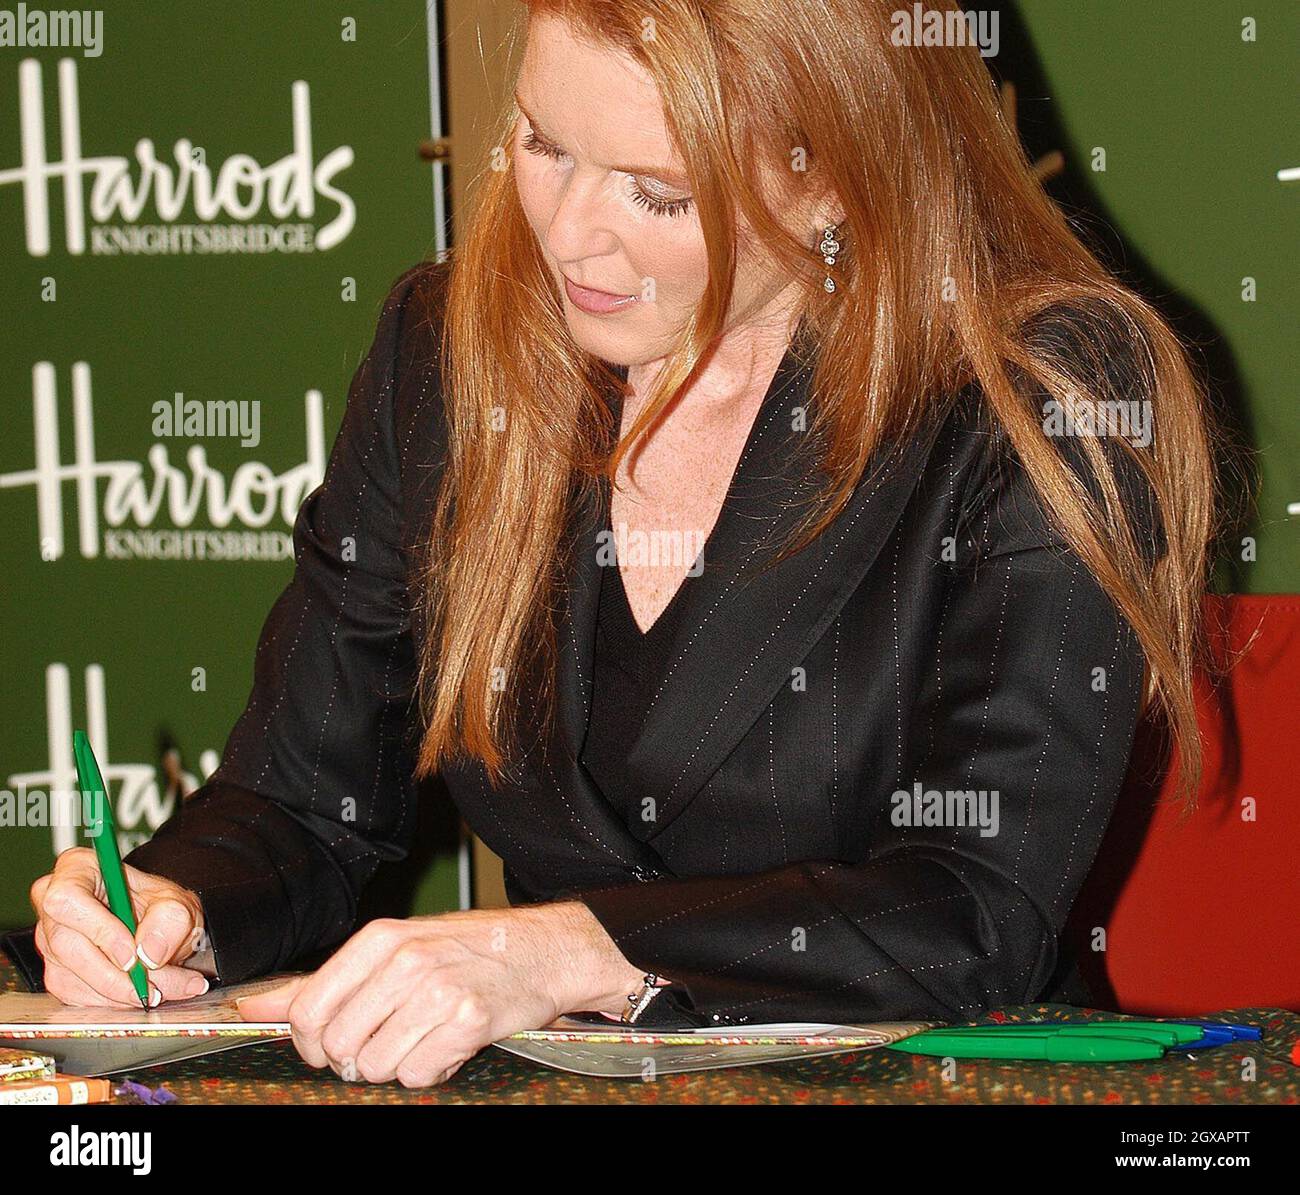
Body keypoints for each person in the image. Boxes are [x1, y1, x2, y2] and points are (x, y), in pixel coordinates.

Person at [28, 0, 1217, 1089]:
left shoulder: (1033, 394)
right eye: (543, 145)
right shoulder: (448, 351)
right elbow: (304, 798)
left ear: (836, 180)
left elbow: (975, 911)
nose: (570, 243)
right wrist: (181, 906)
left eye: (657, 193)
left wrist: (565, 953)